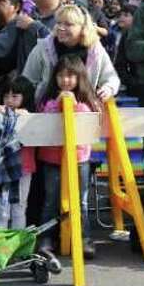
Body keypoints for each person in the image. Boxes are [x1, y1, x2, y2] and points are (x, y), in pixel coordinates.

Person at [35, 55, 99, 261]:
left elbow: (91, 118)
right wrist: (59, 103)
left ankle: (84, 238)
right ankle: (46, 238)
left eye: (71, 76)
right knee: (50, 201)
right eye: (61, 76)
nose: (65, 81)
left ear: (79, 77)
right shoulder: (48, 99)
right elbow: (44, 118)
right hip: (52, 158)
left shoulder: (86, 100)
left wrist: (73, 105)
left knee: (80, 200)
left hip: (80, 158)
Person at [21, 3, 119, 108]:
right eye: (59, 23)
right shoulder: (43, 47)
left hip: (85, 110)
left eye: (68, 24)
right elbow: (27, 80)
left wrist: (108, 88)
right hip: (48, 110)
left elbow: (112, 78)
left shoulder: (95, 50)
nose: (61, 28)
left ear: (83, 27)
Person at [0, 74, 35, 232]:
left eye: (14, 96)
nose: (9, 100)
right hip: (1, 167)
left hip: (23, 168)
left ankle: (17, 246)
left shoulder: (30, 115)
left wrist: (27, 116)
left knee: (19, 207)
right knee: (1, 209)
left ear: (25, 97)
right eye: (6, 95)